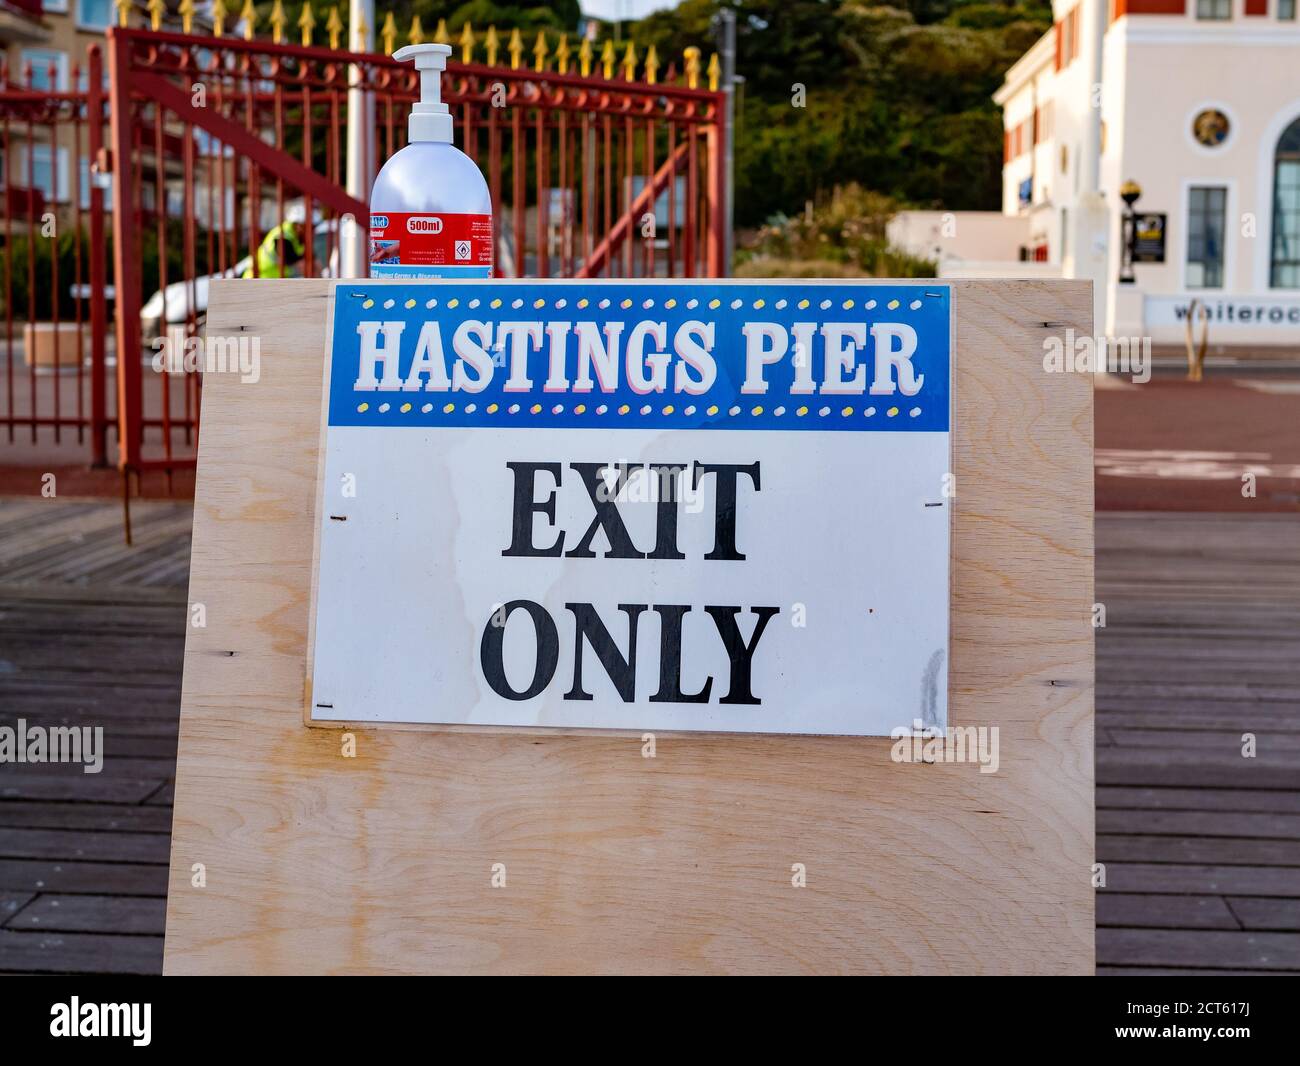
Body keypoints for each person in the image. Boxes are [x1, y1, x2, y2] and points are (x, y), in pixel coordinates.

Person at [242, 218, 307, 278]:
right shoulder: (283, 237)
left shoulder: (295, 237)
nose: (309, 230)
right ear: (297, 224)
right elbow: (296, 262)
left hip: (270, 279)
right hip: (259, 278)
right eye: (305, 226)